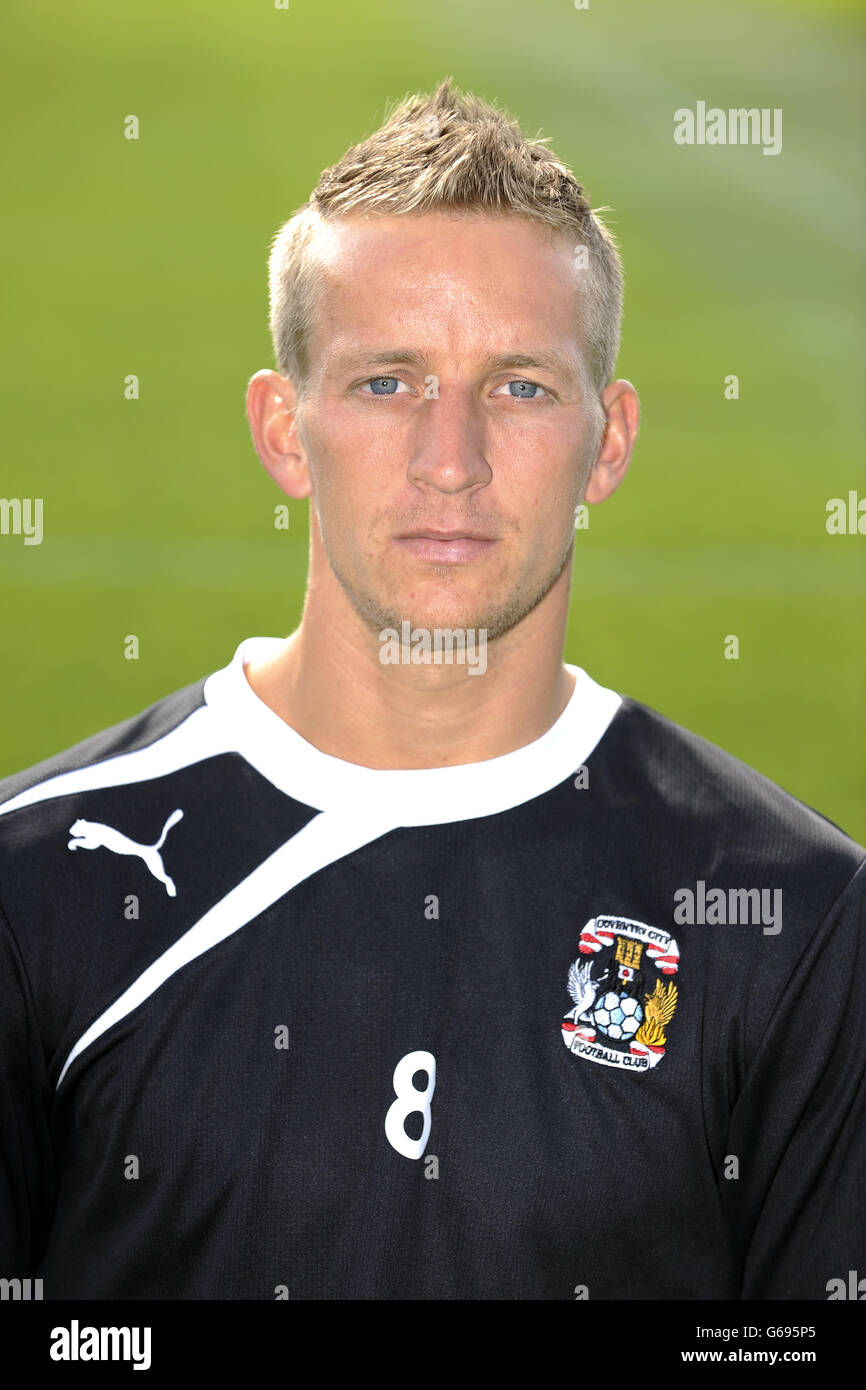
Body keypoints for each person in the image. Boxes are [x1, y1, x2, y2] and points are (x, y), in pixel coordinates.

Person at [0, 80, 863, 1302]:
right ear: (283, 430)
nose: (447, 463)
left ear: (607, 439)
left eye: (517, 386)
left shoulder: (793, 915)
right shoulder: (33, 889)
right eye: (385, 382)